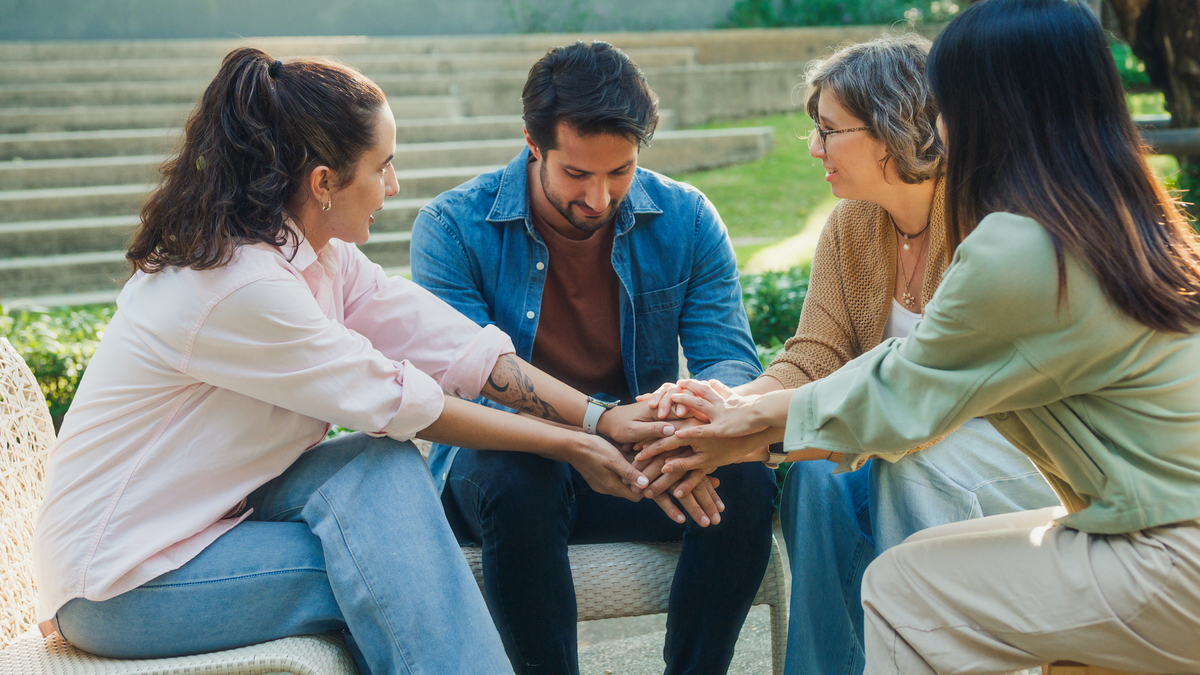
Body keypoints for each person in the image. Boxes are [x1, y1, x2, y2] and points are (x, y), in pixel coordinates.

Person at [32, 47, 681, 675]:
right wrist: (574, 446)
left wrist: (601, 417)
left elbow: (457, 349)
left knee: (377, 465)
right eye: (383, 166)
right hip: (123, 583)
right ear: (323, 182)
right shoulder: (243, 287)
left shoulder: (317, 256)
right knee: (398, 562)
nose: (394, 186)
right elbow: (406, 403)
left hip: (208, 521)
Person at [638, 0, 1200, 672]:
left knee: (907, 590)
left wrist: (738, 421)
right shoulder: (1113, 216)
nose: (938, 122)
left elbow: (903, 388)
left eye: (950, 102)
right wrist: (739, 414)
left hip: (1166, 550)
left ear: (996, 107)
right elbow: (850, 362)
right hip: (1141, 531)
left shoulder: (1022, 246)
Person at [409, 40, 777, 675]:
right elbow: (462, 381)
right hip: (511, 467)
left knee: (744, 477)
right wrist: (592, 425)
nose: (600, 198)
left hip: (642, 461)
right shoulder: (451, 227)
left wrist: (688, 412)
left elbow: (730, 361)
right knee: (518, 477)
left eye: (621, 171)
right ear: (533, 142)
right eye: (576, 174)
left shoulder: (686, 218)